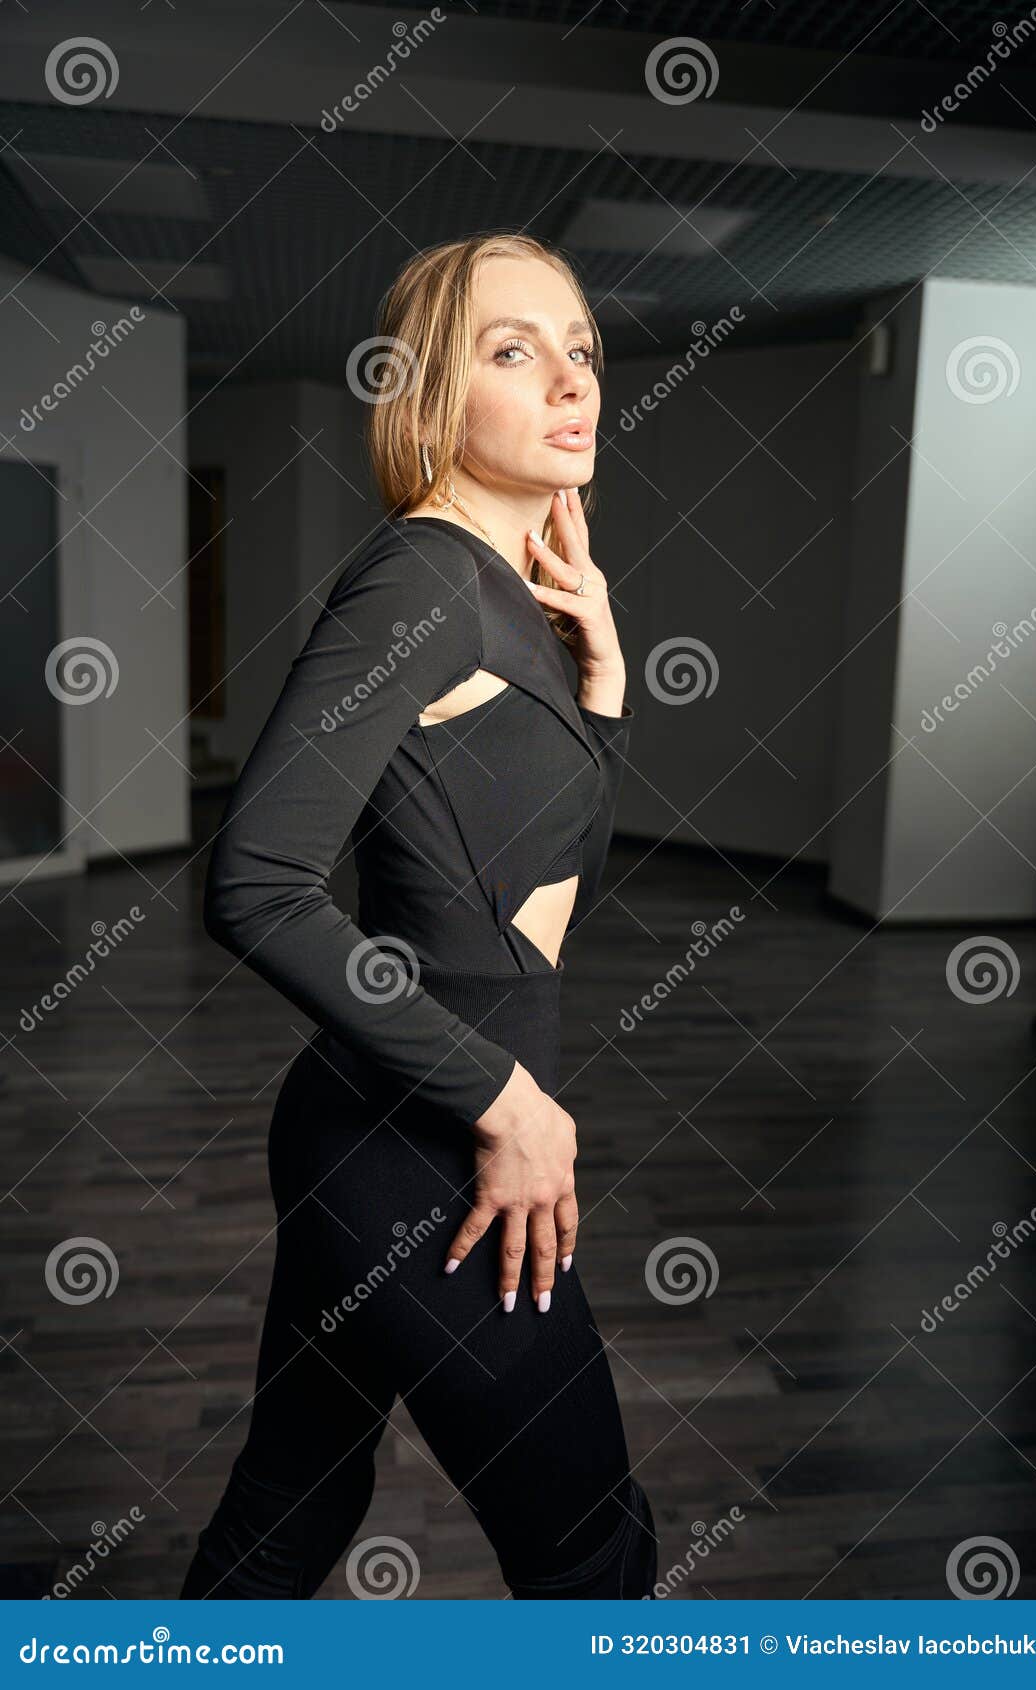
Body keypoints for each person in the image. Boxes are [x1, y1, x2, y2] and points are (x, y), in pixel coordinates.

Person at [180, 232, 658, 1600]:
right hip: (420, 1151)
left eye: (581, 350)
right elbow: (256, 883)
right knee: (596, 1558)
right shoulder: (422, 581)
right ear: (432, 393)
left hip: (405, 1127)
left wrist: (604, 680)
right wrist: (505, 1100)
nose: (570, 381)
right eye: (515, 350)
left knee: (294, 1501)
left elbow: (545, 890)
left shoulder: (508, 593)